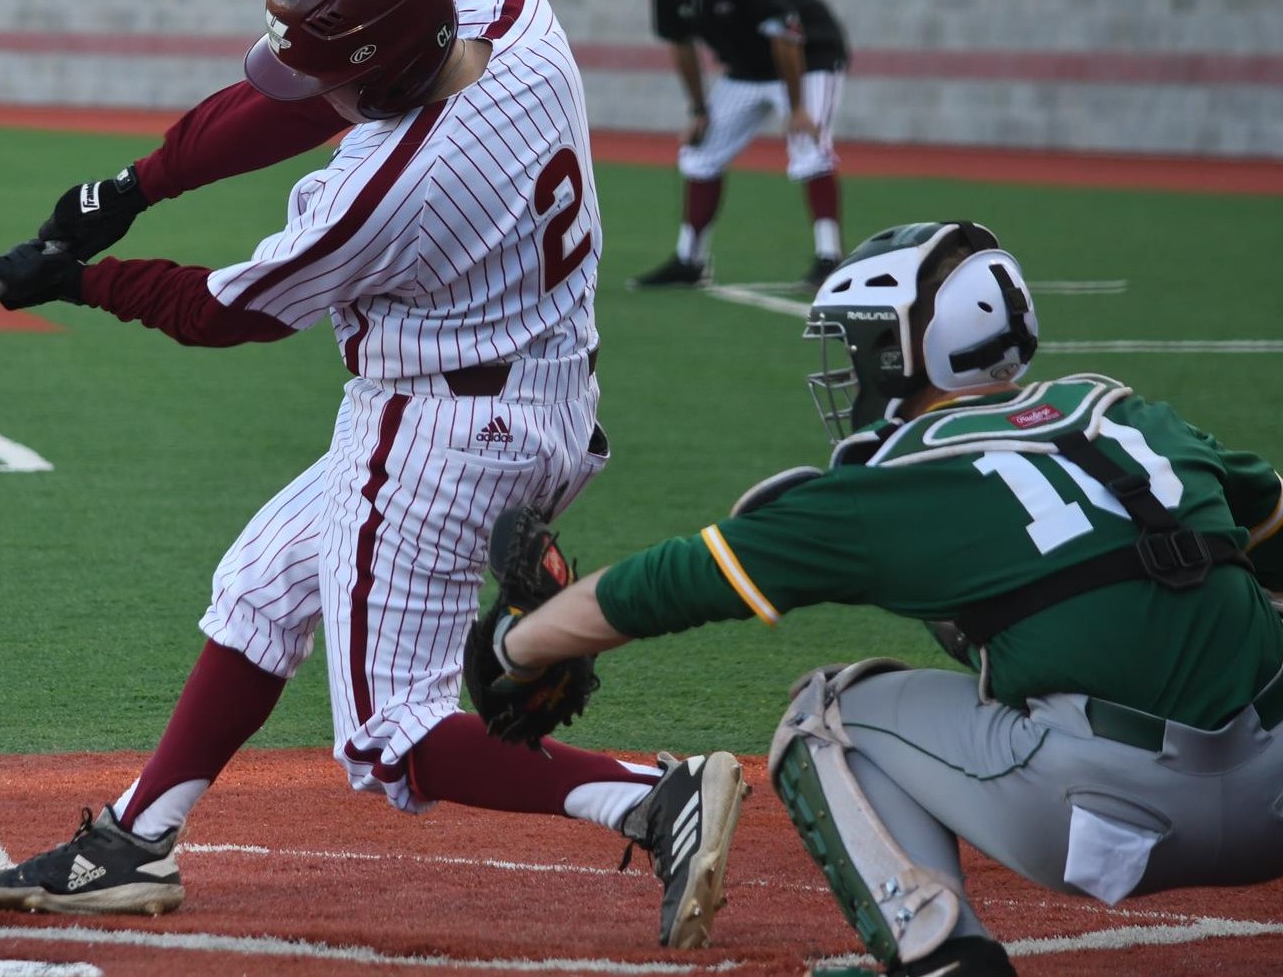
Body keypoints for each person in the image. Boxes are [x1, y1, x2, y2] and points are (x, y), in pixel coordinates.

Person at [0, 0, 746, 949]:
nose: (312, 99)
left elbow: (225, 309)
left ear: (380, 86)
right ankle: (134, 841)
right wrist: (137, 187)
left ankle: (649, 796)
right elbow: (291, 105)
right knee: (261, 587)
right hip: (544, 398)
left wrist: (77, 281)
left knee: (390, 737)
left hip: (434, 435)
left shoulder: (389, 193)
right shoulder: (515, 21)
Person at [471, 220, 1283, 976]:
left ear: (908, 351)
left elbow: (682, 581)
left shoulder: (904, 477)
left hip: (1109, 822)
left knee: (826, 716)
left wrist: (521, 646)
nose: (852, 365)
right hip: (1273, 797)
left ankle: (938, 951)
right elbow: (1269, 526)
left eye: (862, 342)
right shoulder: (1128, 415)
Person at [630, 0, 852, 291]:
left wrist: (798, 108)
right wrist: (698, 110)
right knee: (700, 151)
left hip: (810, 56)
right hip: (748, 68)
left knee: (808, 147)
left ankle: (829, 259)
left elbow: (786, 37)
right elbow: (681, 47)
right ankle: (690, 260)